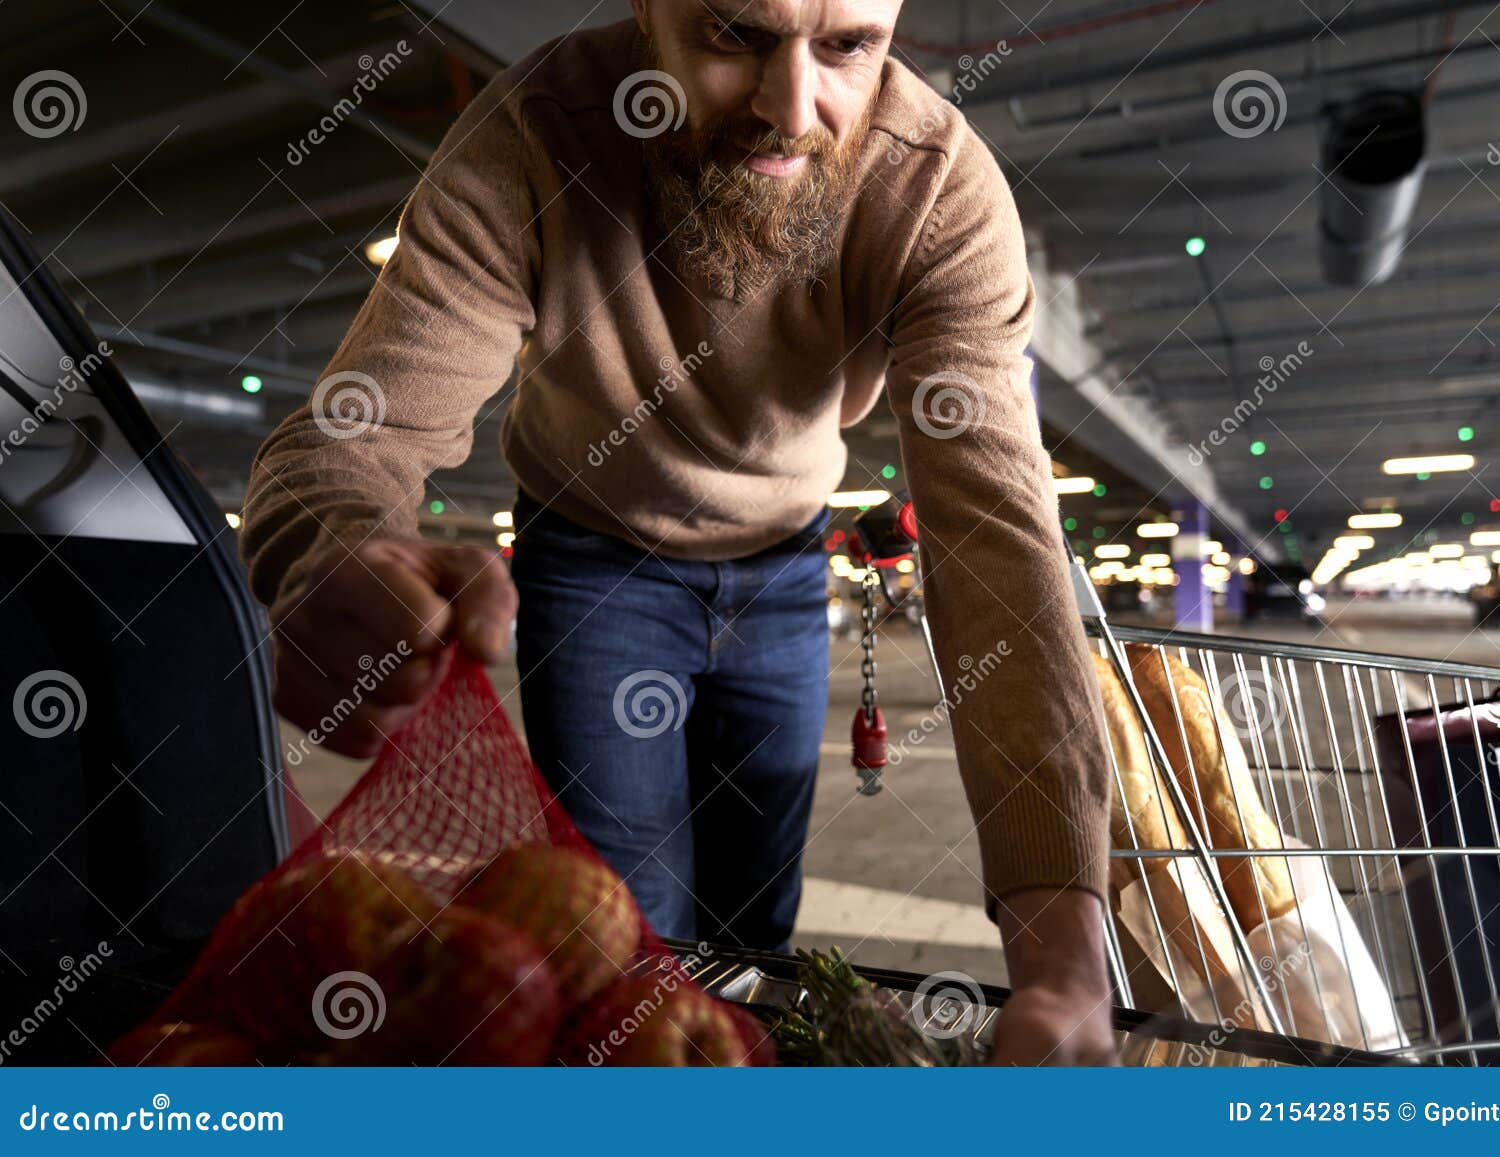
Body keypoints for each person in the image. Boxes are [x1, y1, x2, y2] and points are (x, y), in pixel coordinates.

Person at [242, 0, 1115, 1064]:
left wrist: (1063, 948)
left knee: (758, 940)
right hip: (595, 561)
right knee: (618, 942)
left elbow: (997, 539)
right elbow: (358, 426)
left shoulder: (933, 184)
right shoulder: (535, 134)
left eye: (847, 47)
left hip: (786, 567)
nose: (792, 109)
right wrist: (325, 544)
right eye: (736, 36)